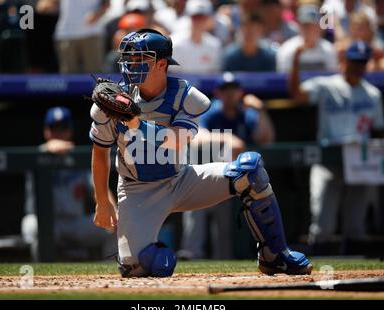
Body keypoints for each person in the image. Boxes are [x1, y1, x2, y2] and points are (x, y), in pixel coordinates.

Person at [90, 28, 312, 277]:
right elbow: (99, 153)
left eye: (141, 59)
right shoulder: (112, 102)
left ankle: (274, 256)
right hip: (136, 191)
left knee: (250, 171)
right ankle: (144, 255)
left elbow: (177, 142)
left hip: (179, 179)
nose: (132, 65)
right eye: (129, 59)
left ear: (161, 64)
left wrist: (136, 123)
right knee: (148, 265)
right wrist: (102, 201)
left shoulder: (185, 95)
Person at [288, 41, 384, 245]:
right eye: (354, 62)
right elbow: (297, 95)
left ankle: (355, 272)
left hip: (359, 161)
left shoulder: (373, 94)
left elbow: (378, 129)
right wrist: (295, 63)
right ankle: (317, 271)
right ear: (345, 61)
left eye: (362, 62)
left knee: (356, 226)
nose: (358, 67)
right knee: (323, 224)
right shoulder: (326, 85)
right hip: (329, 158)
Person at [178, 72, 276, 260]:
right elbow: (197, 137)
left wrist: (261, 110)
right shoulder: (212, 110)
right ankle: (191, 254)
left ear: (240, 92)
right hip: (203, 171)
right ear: (218, 93)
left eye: (233, 90)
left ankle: (224, 259)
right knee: (194, 212)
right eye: (225, 90)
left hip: (231, 177)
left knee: (225, 224)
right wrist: (227, 138)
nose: (230, 94)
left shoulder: (246, 113)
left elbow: (266, 138)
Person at [22, 107, 115, 261]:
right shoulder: (38, 154)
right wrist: (46, 148)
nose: (58, 133)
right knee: (30, 225)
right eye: (54, 128)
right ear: (46, 131)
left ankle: (110, 274)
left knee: (112, 226)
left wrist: (113, 211)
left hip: (74, 223)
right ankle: (39, 273)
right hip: (48, 222)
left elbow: (97, 188)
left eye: (63, 128)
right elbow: (33, 156)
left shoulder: (78, 157)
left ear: (70, 131)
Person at [277, 3, 338, 72]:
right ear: (299, 25)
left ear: (319, 26)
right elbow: (285, 77)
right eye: (305, 25)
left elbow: (332, 77)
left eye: (312, 25)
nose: (309, 29)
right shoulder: (287, 49)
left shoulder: (328, 49)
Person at [53, 0, 109, 74]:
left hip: (92, 33)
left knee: (95, 74)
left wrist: (97, 14)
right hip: (66, 34)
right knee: (68, 75)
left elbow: (106, 3)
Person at [170, 0, 222, 74]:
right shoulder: (174, 43)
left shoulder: (215, 45)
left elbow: (213, 75)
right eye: (195, 17)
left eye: (203, 17)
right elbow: (171, 75)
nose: (199, 21)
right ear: (188, 17)